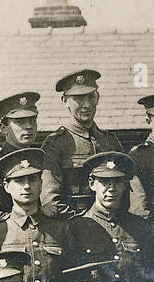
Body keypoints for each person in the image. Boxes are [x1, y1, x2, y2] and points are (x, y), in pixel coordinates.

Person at [0, 147, 114, 282]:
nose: (27, 186)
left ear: (41, 183)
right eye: (19, 181)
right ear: (6, 186)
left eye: (32, 179)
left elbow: (73, 274)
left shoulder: (59, 228)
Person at [79, 151, 154, 282]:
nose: (112, 189)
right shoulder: (77, 227)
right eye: (105, 182)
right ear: (92, 184)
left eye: (118, 182)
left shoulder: (141, 227)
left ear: (125, 184)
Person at [43, 69, 128, 217]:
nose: (87, 105)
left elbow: (126, 191)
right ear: (64, 101)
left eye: (91, 97)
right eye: (79, 98)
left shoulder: (110, 141)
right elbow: (50, 202)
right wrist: (82, 225)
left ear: (98, 97)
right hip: (73, 227)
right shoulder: (55, 144)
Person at [0, 92, 62, 223]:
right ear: (3, 128)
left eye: (32, 120)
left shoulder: (43, 158)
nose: (29, 126)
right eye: (20, 122)